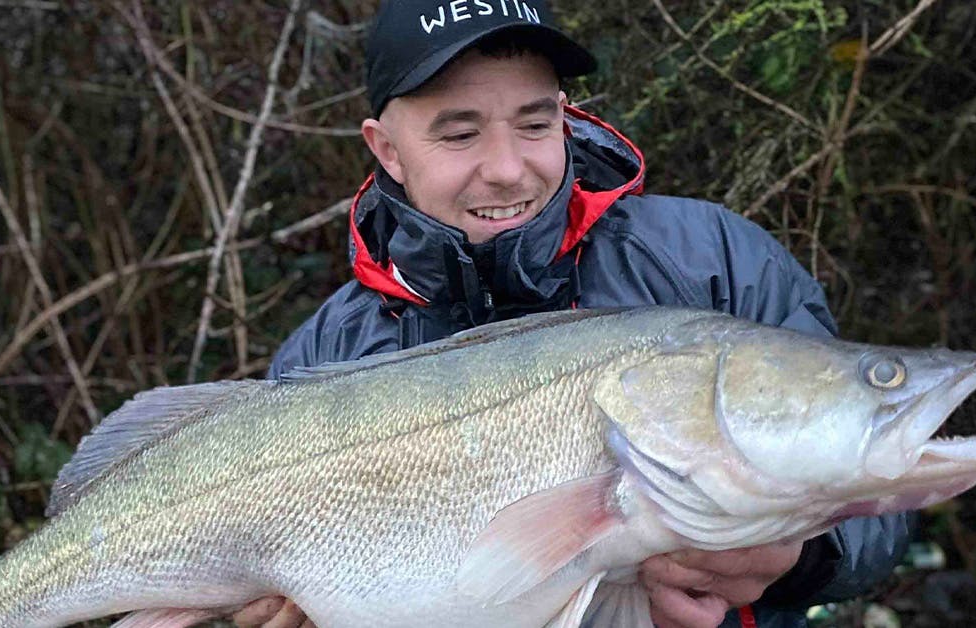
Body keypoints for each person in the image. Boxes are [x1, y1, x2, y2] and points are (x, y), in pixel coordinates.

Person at [234, 1, 911, 626]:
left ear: (564, 114)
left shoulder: (713, 263)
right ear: (387, 149)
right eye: (460, 133)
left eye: (535, 124)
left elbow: (879, 483)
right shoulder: (326, 354)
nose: (507, 169)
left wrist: (802, 555)